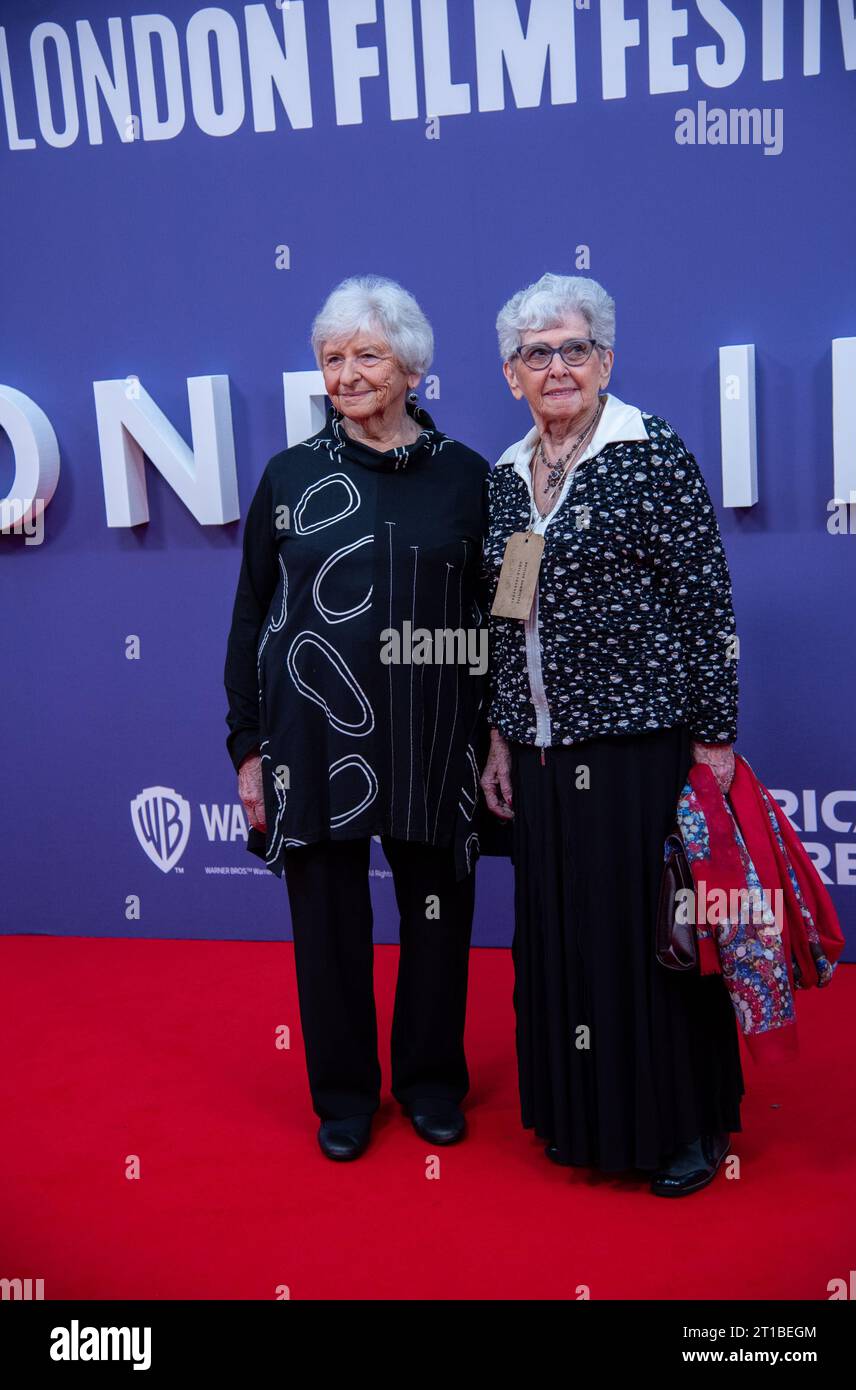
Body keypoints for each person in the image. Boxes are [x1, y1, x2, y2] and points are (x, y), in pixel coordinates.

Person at [480, 272, 745, 1197]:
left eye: (574, 348)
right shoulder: (506, 476)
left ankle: (682, 1129)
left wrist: (713, 743)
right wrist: (503, 738)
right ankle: (583, 1116)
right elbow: (506, 617)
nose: (557, 366)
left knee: (655, 937)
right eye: (536, 353)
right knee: (564, 941)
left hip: (640, 748)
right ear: (511, 373)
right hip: (546, 762)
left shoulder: (649, 451)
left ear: (606, 360)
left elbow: (706, 601)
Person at [224, 275, 490, 1161]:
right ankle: (342, 1096)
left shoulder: (472, 476)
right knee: (327, 928)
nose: (346, 374)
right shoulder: (289, 477)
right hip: (313, 736)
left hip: (434, 731)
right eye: (331, 359)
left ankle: (428, 1083)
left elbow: (514, 605)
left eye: (366, 355)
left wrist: (504, 729)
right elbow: (252, 613)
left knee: (436, 918)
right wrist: (247, 745)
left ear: (411, 366)